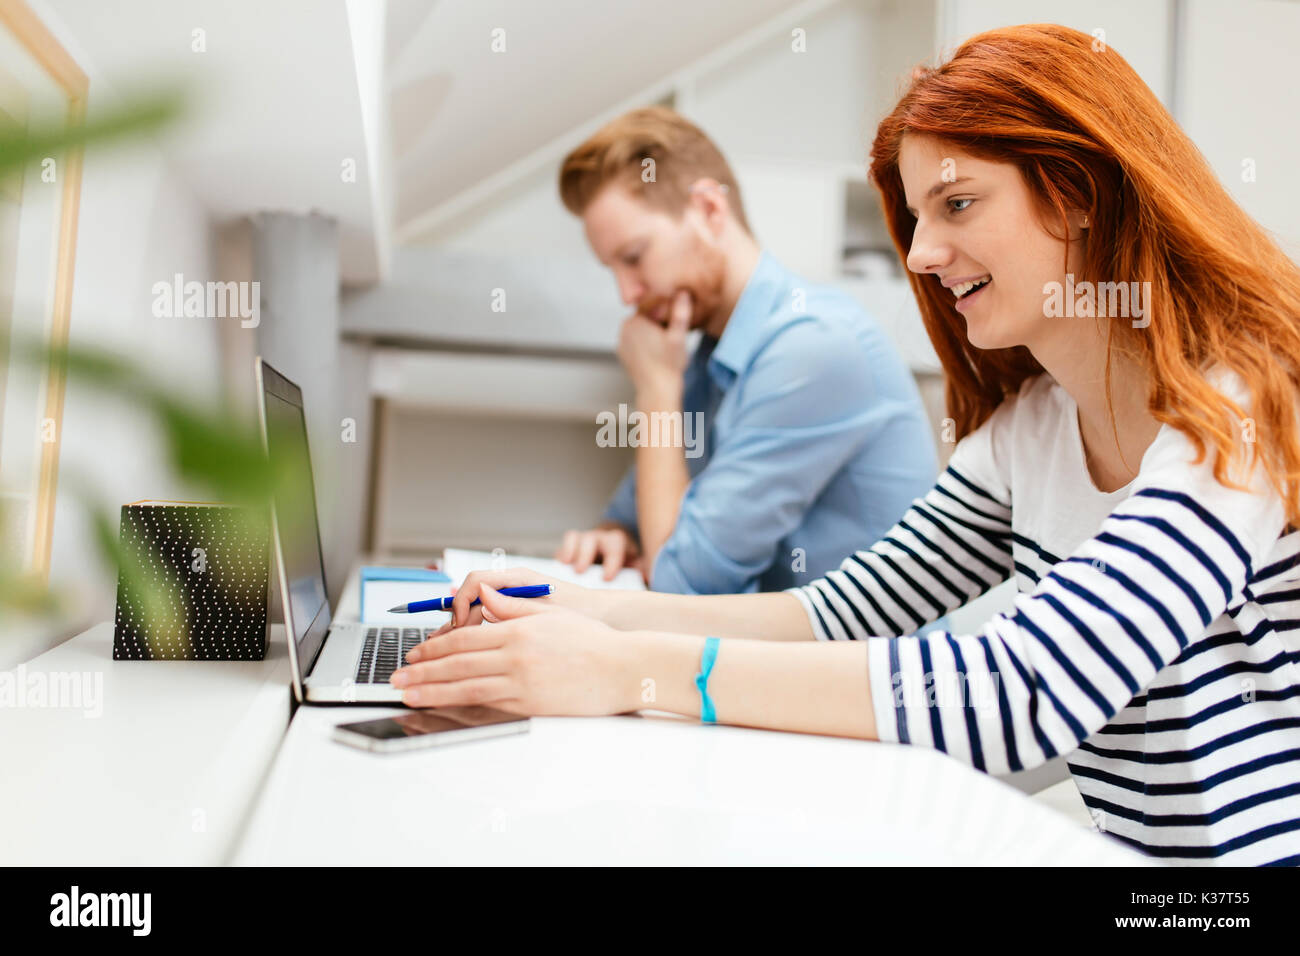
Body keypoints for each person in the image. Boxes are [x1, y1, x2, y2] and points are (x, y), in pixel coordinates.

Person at [393, 25, 1300, 865]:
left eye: (958, 203)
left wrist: (628, 671)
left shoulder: (1244, 409)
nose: (921, 254)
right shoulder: (1033, 430)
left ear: (1079, 193)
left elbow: (1021, 692)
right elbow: (834, 611)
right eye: (920, 217)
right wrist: (584, 608)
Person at [552, 106, 937, 593]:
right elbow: (632, 518)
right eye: (613, 269)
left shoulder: (813, 348)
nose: (627, 294)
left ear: (711, 210)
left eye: (634, 258)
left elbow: (684, 587)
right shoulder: (707, 352)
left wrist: (655, 388)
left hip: (859, 666)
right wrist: (612, 537)